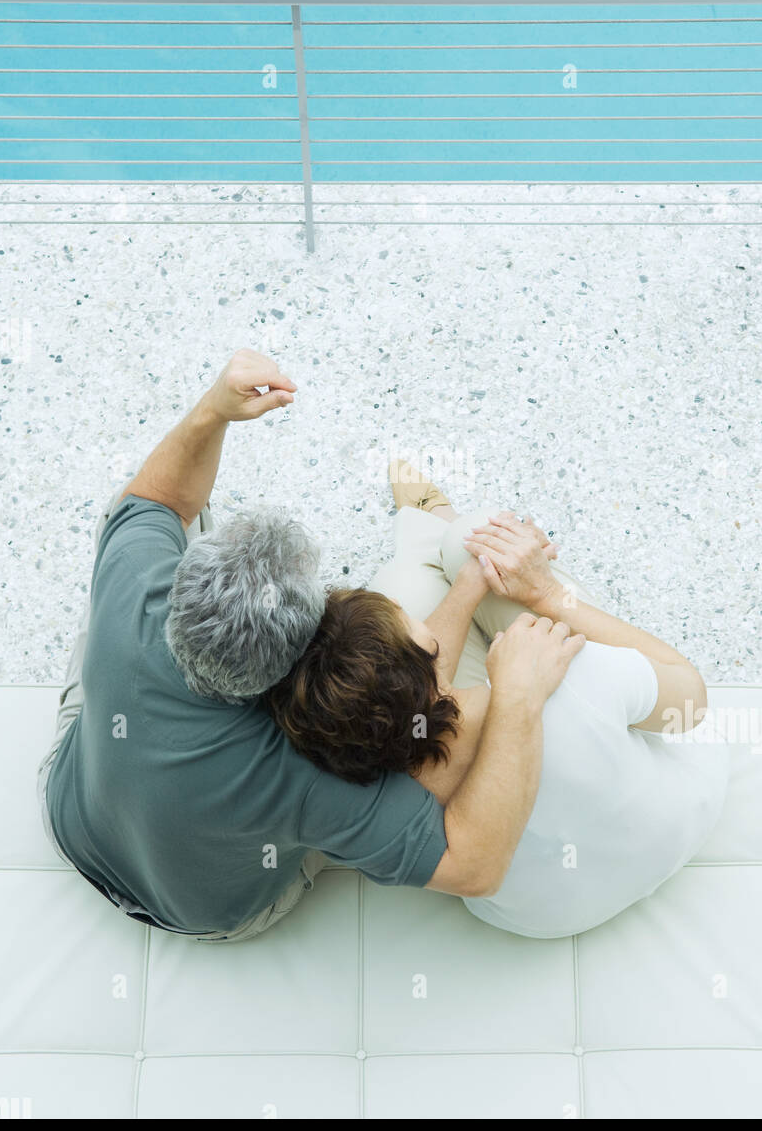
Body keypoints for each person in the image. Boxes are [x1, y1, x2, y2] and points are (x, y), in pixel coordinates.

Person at [37, 351, 582, 941]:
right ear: (298, 663)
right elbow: (474, 867)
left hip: (68, 811)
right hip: (206, 915)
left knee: (133, 525)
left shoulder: (135, 589)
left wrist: (213, 411)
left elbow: (161, 501)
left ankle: (425, 528)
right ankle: (427, 524)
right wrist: (519, 699)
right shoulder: (306, 765)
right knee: (415, 736)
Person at [267, 462, 729, 939]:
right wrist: (545, 592)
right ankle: (439, 521)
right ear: (429, 657)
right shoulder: (577, 677)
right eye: (419, 631)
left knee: (409, 578)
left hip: (548, 919)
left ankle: (427, 527)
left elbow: (417, 690)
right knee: (468, 537)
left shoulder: (373, 785)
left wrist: (469, 586)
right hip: (688, 809)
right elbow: (690, 703)